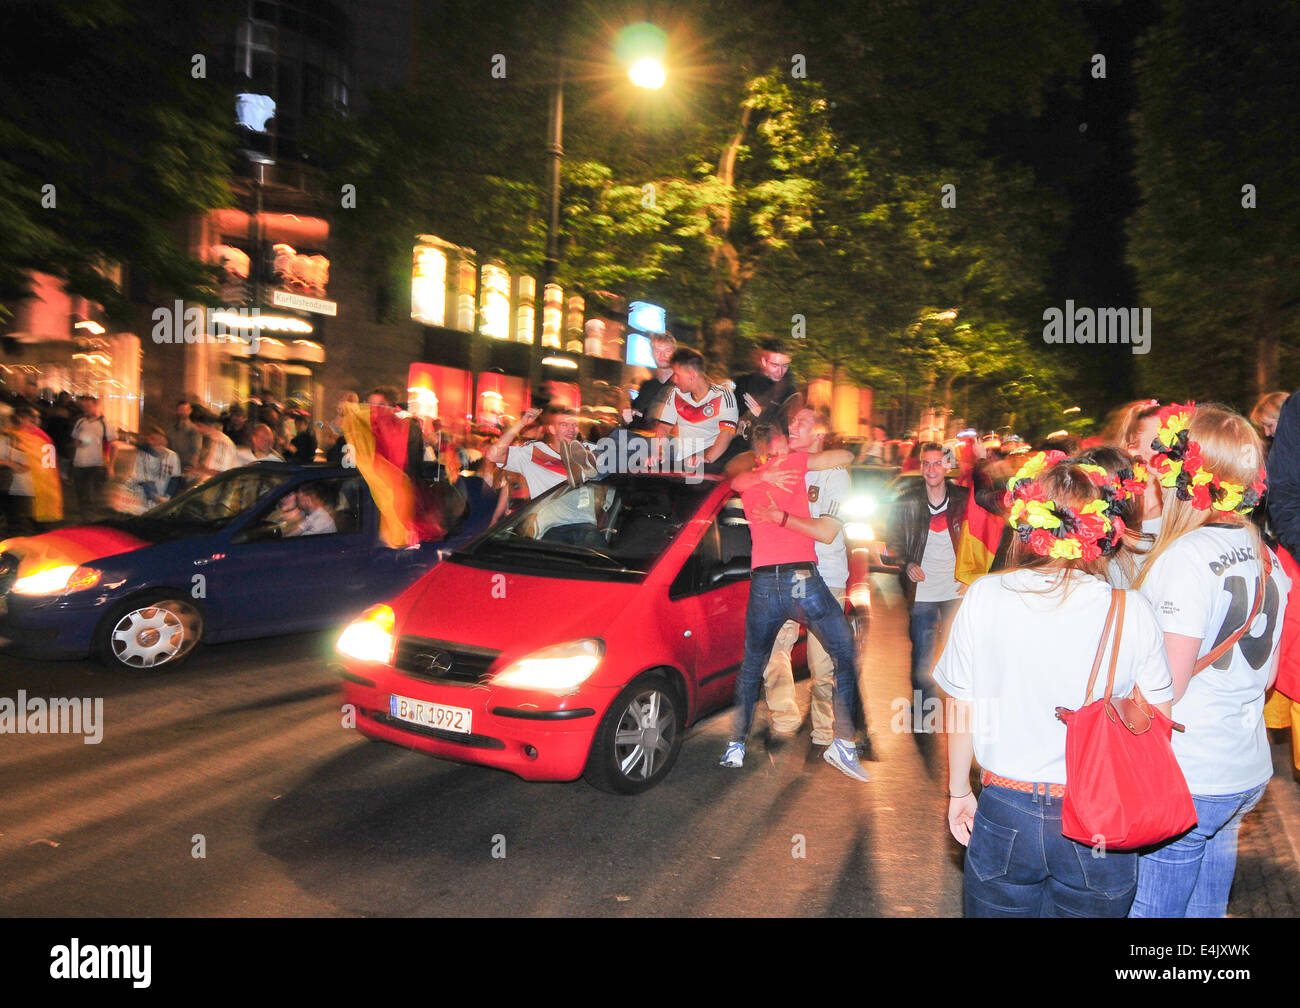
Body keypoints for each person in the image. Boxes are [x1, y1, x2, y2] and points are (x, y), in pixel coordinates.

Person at [937, 452, 1175, 917]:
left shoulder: (985, 596)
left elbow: (960, 707)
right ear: (1101, 529)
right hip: (1098, 816)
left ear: (1027, 523)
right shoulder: (1131, 608)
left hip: (1006, 807)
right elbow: (1159, 716)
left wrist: (958, 792)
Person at [1129, 403, 1289, 918]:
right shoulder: (1265, 549)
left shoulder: (1185, 556)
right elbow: (1265, 675)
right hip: (1243, 766)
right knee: (1205, 916)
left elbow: (1166, 688)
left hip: (1191, 774)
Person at [720, 424, 868, 780]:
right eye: (783, 443)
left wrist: (759, 471)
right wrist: (809, 457)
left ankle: (735, 746)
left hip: (764, 585)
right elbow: (846, 455)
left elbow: (733, 481)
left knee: (752, 663)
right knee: (844, 651)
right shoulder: (796, 464)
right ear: (775, 448)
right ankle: (843, 744)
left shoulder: (750, 479)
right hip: (802, 580)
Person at [751, 408, 853, 748]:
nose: (793, 426)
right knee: (773, 647)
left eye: (802, 423)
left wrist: (782, 517)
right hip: (788, 571)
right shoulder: (782, 467)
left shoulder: (836, 476)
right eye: (792, 421)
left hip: (827, 572)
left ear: (819, 434)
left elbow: (826, 532)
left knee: (822, 663)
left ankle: (824, 731)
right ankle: (785, 718)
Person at [888, 442, 968, 701]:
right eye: (926, 463)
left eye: (937, 463)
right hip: (922, 594)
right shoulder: (906, 501)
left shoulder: (963, 500)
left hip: (956, 591)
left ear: (947, 466)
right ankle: (923, 717)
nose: (931, 469)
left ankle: (955, 711)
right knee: (922, 660)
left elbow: (983, 538)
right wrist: (907, 564)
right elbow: (893, 540)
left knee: (957, 655)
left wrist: (972, 576)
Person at [487, 405, 602, 545]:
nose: (571, 429)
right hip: (552, 529)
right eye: (564, 424)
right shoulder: (533, 452)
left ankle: (580, 471)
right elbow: (493, 455)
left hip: (586, 528)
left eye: (574, 424)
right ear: (552, 429)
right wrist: (521, 424)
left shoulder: (589, 450)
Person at [655, 347, 738, 473]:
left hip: (709, 456)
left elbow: (726, 433)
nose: (673, 379)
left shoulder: (723, 396)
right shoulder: (675, 394)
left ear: (692, 375)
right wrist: (659, 453)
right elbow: (663, 427)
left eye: (677, 374)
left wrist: (706, 459)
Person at [731, 336, 796, 449]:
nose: (780, 372)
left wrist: (761, 415)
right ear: (763, 362)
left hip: (771, 450)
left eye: (785, 366)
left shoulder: (789, 391)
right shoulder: (744, 383)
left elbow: (787, 430)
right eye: (775, 365)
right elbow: (731, 420)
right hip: (740, 446)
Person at [70, 395, 115, 520]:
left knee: (92, 493)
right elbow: (74, 440)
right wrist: (77, 443)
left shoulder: (105, 424)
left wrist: (111, 466)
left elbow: (113, 446)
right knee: (80, 491)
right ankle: (84, 514)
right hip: (79, 463)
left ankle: (90, 517)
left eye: (89, 406)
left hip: (97, 463)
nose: (86, 409)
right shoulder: (80, 422)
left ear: (96, 406)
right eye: (84, 407)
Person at [625, 332, 676, 434]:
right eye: (657, 350)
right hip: (643, 444)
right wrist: (627, 417)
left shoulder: (683, 386)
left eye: (667, 350)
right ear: (652, 353)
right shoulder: (646, 386)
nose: (662, 355)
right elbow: (634, 422)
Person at [130, 427, 181, 508]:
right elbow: (144, 480)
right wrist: (156, 497)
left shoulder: (173, 456)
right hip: (144, 501)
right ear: (149, 440)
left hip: (164, 500)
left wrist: (167, 497)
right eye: (154, 439)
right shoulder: (142, 456)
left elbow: (174, 478)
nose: (158, 442)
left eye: (161, 439)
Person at [191, 407, 238, 480]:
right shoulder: (213, 441)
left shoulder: (223, 443)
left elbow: (223, 473)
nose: (198, 429)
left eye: (199, 426)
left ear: (208, 425)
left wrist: (200, 470)